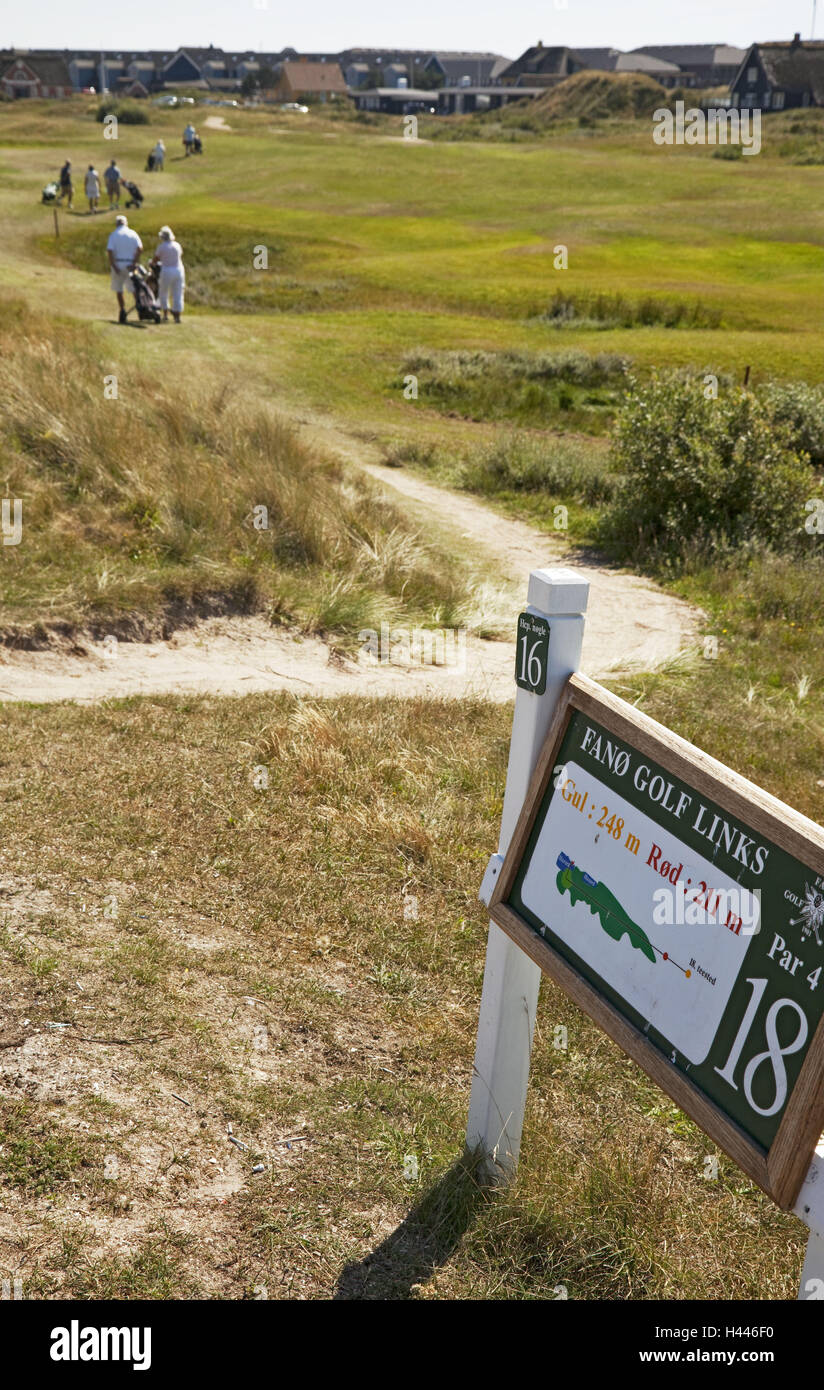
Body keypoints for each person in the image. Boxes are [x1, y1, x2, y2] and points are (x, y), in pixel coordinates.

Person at [106, 213, 143, 324]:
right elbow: (140, 248)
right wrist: (134, 262)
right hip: (130, 265)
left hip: (119, 264)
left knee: (119, 289)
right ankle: (140, 308)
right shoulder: (133, 234)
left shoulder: (114, 235)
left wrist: (114, 265)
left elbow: (110, 251)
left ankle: (122, 310)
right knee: (134, 288)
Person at [152, 225, 185, 324]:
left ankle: (165, 314)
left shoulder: (162, 247)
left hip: (166, 270)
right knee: (178, 293)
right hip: (178, 270)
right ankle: (177, 315)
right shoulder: (177, 245)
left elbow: (155, 259)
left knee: (164, 292)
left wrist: (152, 263)